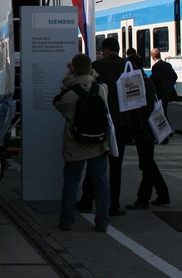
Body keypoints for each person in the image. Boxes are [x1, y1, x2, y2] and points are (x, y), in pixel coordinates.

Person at [77, 36, 139, 216]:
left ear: (105, 49)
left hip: (101, 121)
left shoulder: (97, 66)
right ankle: (114, 205)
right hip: (122, 123)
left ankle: (87, 200)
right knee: (116, 165)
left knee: (94, 161)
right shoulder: (131, 67)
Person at [53, 53, 111, 232]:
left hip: (75, 143)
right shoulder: (101, 90)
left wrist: (66, 82)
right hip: (98, 143)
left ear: (74, 70)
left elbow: (57, 103)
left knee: (71, 180)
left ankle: (67, 221)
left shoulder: (69, 94)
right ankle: (102, 222)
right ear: (90, 68)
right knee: (101, 182)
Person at [125, 55, 170, 209]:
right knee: (148, 162)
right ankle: (163, 194)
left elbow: (138, 108)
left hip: (143, 128)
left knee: (146, 164)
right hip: (149, 127)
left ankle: (143, 199)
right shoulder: (147, 80)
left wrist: (133, 128)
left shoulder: (137, 82)